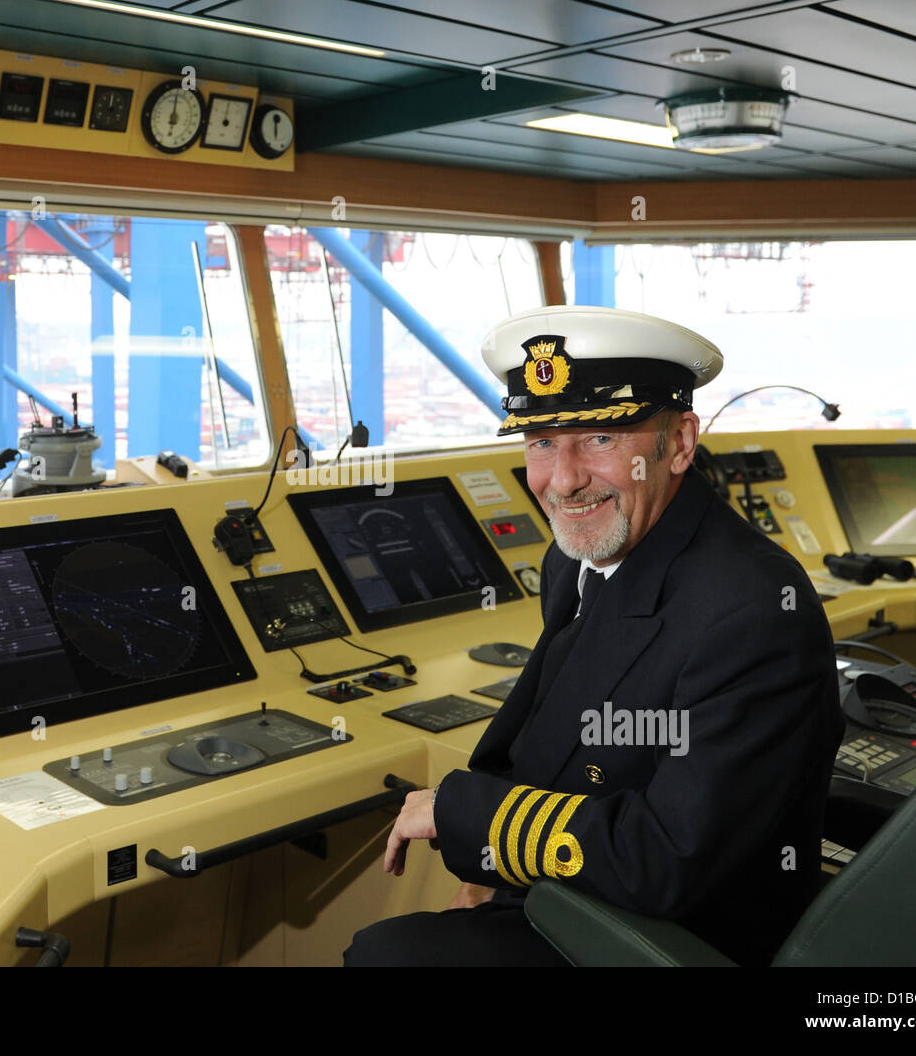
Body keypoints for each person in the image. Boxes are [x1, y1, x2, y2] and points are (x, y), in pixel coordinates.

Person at [345, 305, 843, 967]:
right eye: (542, 441)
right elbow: (546, 738)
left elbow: (670, 857)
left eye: (601, 439)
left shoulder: (751, 608)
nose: (564, 478)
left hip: (680, 934)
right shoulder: (582, 557)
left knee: (387, 955)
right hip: (575, 889)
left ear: (681, 442)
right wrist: (494, 867)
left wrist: (468, 815)